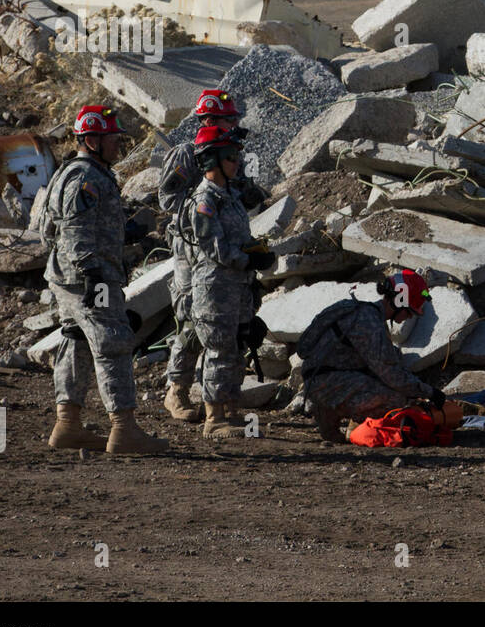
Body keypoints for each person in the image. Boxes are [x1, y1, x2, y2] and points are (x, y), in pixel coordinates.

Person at [39, 105, 168, 455]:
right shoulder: (87, 178)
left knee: (76, 340)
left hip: (69, 279)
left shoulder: (72, 172)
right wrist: (94, 273)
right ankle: (124, 430)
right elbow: (76, 231)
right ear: (92, 139)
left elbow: (49, 230)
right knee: (113, 340)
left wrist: (125, 234)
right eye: (113, 139)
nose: (118, 146)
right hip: (89, 279)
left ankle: (68, 425)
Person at [158, 89, 266, 423]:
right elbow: (167, 198)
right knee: (193, 315)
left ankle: (221, 397)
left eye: (234, 119)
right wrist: (201, 211)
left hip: (224, 243)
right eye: (228, 119)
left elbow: (243, 193)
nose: (234, 123)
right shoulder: (189, 153)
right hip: (191, 246)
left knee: (229, 323)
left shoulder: (230, 152)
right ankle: (177, 390)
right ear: (209, 120)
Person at [181, 127, 276, 438]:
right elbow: (214, 247)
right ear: (213, 160)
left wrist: (257, 253)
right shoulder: (205, 199)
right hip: (215, 286)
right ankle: (214, 418)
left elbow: (239, 240)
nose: (237, 162)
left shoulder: (230, 195)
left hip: (237, 285)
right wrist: (248, 259)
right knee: (219, 348)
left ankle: (231, 411)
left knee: (237, 346)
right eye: (231, 157)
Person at [296, 268, 446, 441]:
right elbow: (392, 375)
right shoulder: (370, 324)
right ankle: (339, 415)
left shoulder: (365, 313)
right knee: (397, 400)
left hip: (322, 378)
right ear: (398, 301)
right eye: (409, 311)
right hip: (327, 383)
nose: (408, 317)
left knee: (393, 360)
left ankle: (329, 419)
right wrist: (429, 392)